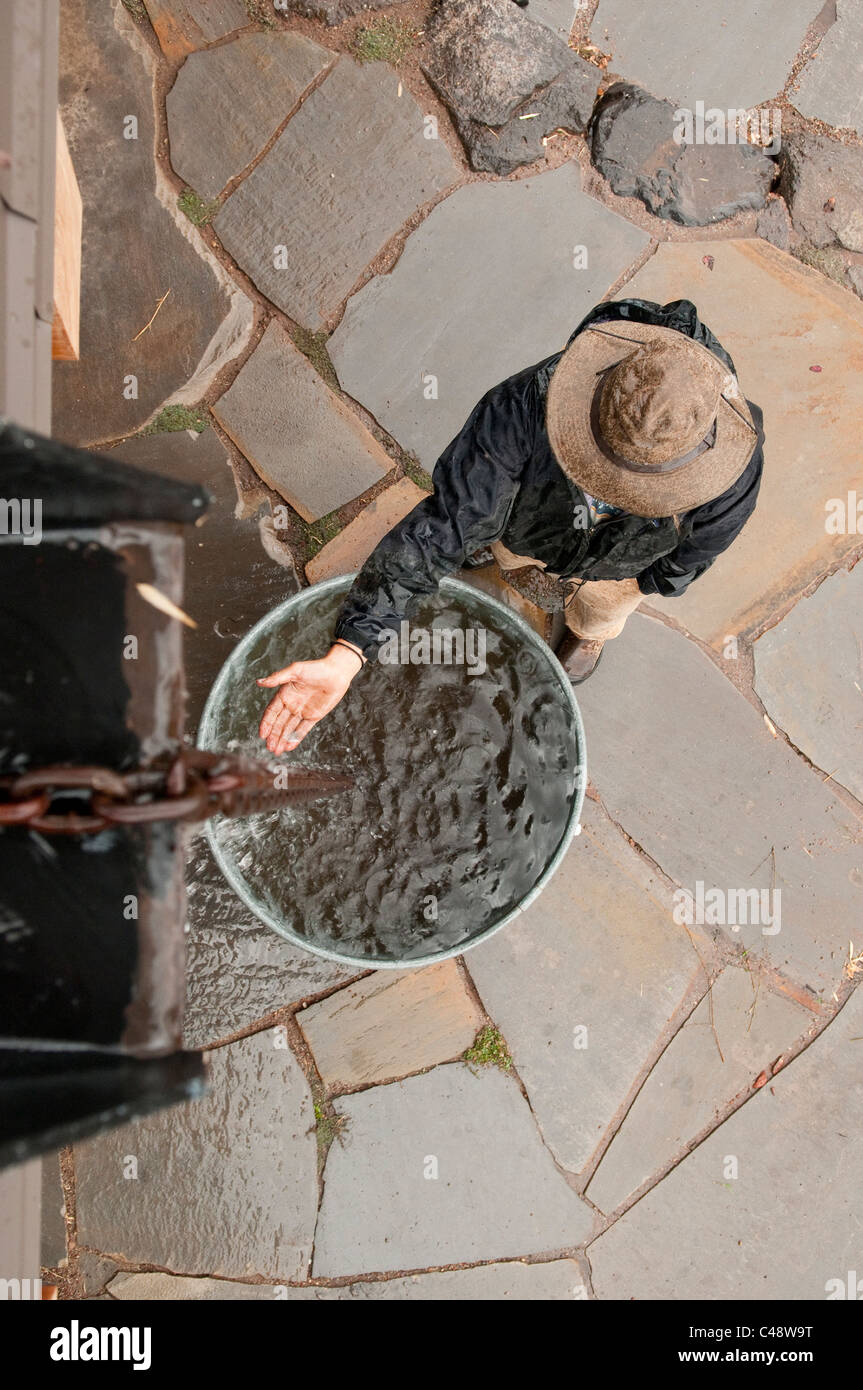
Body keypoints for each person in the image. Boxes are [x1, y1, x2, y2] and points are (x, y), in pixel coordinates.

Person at [259, 297, 764, 755]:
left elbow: (701, 547)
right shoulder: (526, 405)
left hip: (624, 564)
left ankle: (589, 635)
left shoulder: (731, 467)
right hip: (530, 526)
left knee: (606, 605)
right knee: (496, 542)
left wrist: (651, 580)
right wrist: (351, 649)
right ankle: (506, 552)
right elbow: (450, 523)